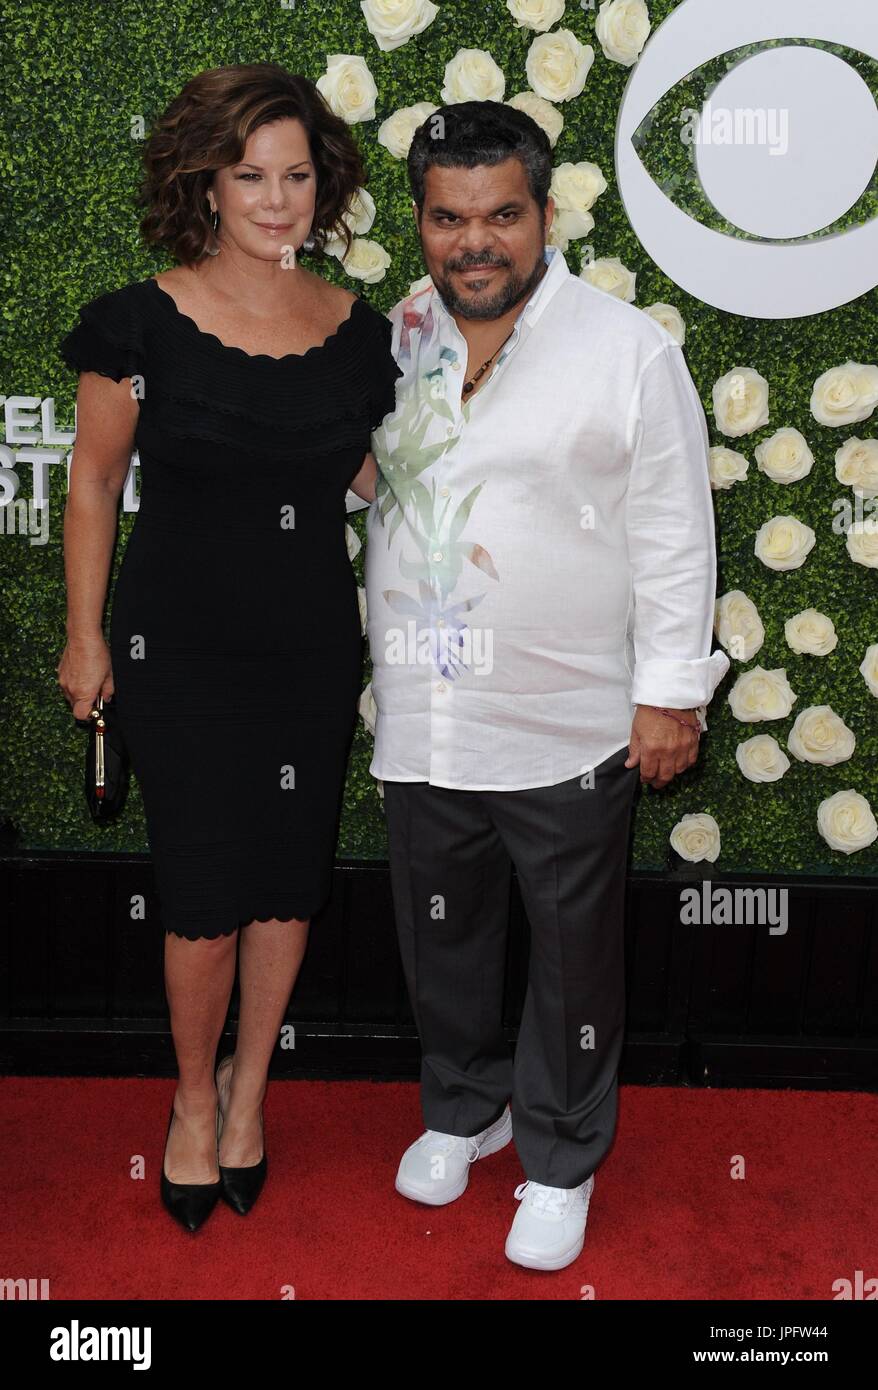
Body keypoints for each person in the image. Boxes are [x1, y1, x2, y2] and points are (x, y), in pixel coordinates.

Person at [362, 101, 731, 1270]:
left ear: (544, 213)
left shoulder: (626, 348)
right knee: (441, 937)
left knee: (573, 953)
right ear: (420, 223)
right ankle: (464, 1110)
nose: (475, 241)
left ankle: (560, 1155)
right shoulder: (395, 337)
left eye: (501, 216)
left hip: (568, 716)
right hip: (425, 709)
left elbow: (674, 532)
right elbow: (369, 484)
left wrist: (669, 694)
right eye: (448, 217)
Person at [56, 62, 402, 1233]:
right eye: (250, 174)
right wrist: (84, 637)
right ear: (206, 182)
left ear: (322, 186)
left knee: (285, 879)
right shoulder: (137, 319)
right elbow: (95, 481)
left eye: (296, 174)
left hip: (308, 647)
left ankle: (253, 1095)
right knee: (202, 887)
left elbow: (378, 477)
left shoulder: (359, 335)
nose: (275, 197)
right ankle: (191, 1105)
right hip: (177, 649)